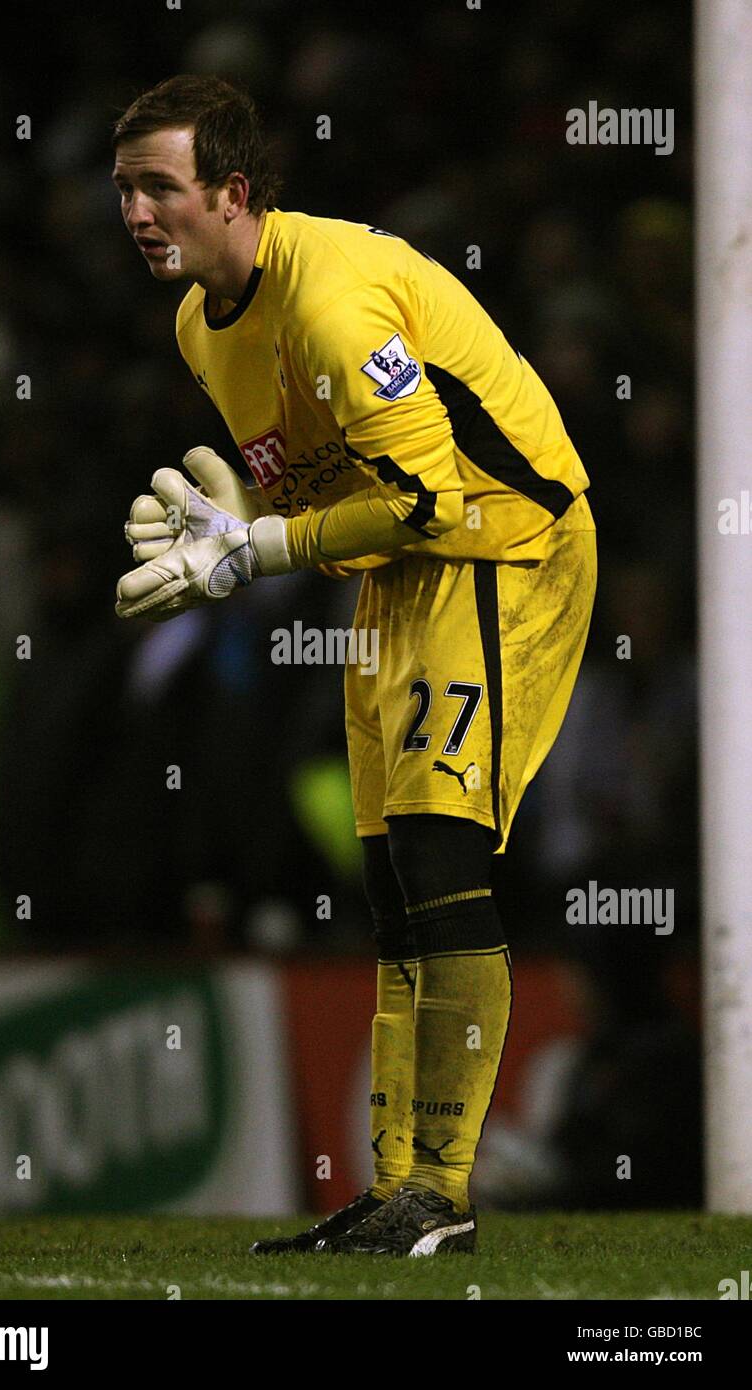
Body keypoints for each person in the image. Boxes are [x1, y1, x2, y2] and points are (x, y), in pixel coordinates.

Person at [111, 74, 596, 1256]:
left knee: (439, 846)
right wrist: (245, 520)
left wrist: (256, 549)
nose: (136, 213)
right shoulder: (197, 327)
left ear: (232, 193)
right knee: (385, 877)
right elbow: (327, 499)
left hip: (503, 537)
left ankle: (444, 1186)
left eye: (159, 187)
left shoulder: (330, 304)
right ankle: (399, 1192)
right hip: (401, 575)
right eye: (123, 189)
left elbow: (428, 496)